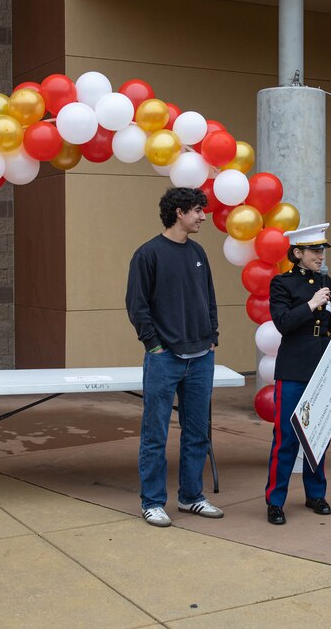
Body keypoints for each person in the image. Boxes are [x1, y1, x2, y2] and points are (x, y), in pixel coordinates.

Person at [126, 187, 222, 527]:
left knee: (197, 432)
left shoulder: (198, 253)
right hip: (164, 359)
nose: (203, 216)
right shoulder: (148, 254)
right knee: (155, 434)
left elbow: (208, 298)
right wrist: (153, 345)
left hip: (201, 358)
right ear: (179, 212)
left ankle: (191, 497)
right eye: (197, 210)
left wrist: (212, 336)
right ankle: (152, 502)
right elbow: (137, 306)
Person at [264, 223, 331, 525]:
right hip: (294, 368)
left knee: (318, 436)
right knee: (286, 438)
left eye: (322, 250)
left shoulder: (325, 280)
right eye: (315, 251)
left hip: (324, 368)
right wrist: (311, 303)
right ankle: (275, 501)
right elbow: (282, 323)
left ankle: (315, 494)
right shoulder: (282, 283)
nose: (320, 256)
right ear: (298, 253)